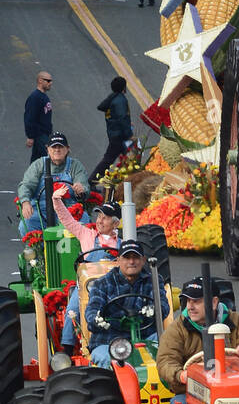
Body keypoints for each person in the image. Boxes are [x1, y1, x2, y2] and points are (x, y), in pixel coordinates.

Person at [85, 239, 170, 368]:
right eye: (127, 257)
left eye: (135, 257)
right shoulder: (102, 283)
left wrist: (154, 309)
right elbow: (92, 310)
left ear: (143, 260)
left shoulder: (153, 279)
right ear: (118, 260)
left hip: (145, 337)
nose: (131, 262)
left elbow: (163, 306)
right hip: (108, 341)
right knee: (106, 359)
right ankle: (112, 387)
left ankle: (166, 386)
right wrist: (97, 319)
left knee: (169, 350)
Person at [52, 193, 121, 349]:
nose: (100, 221)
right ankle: (67, 349)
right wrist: (56, 200)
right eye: (99, 216)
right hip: (87, 288)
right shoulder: (86, 235)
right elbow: (67, 220)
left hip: (112, 289)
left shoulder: (122, 245)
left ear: (115, 224)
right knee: (72, 311)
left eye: (105, 218)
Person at [18, 132, 89, 230]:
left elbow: (83, 185)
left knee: (83, 220)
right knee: (26, 224)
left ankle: (74, 245)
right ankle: (36, 246)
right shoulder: (38, 165)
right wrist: (25, 202)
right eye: (53, 147)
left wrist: (81, 189)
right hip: (41, 209)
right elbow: (26, 185)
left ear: (67, 149)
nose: (57, 150)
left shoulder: (75, 165)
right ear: (47, 149)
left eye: (60, 147)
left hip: (68, 209)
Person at [90, 77, 133, 182]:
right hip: (120, 136)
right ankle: (92, 180)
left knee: (129, 158)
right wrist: (129, 134)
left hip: (114, 134)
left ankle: (127, 180)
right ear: (124, 87)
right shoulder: (120, 100)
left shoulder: (112, 98)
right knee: (111, 159)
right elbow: (122, 117)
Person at [24, 71, 54, 160]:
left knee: (36, 161)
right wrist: (30, 136)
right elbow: (29, 117)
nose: (50, 83)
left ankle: (31, 174)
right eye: (48, 81)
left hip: (45, 134)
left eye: (51, 81)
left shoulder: (44, 97)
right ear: (40, 81)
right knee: (52, 158)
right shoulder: (35, 97)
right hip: (40, 135)